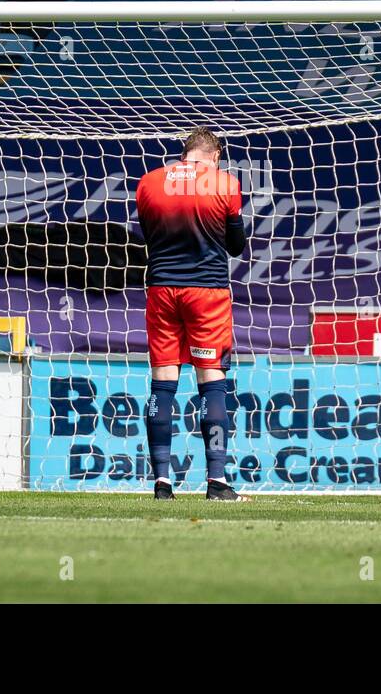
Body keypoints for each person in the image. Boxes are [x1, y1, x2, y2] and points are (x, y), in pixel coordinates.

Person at [134, 125, 248, 500]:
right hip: (207, 293)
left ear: (185, 152)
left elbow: (150, 238)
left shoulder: (149, 183)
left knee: (162, 383)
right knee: (210, 381)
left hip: (162, 289)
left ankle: (162, 484)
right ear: (214, 155)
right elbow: (236, 247)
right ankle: (216, 481)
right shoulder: (224, 182)